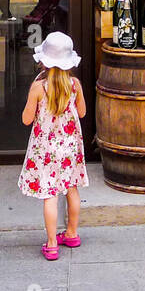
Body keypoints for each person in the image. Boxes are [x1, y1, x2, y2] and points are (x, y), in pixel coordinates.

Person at [18, 31, 89, 260]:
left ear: (44, 61)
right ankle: (72, 233)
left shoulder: (39, 88)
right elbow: (83, 112)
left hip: (46, 150)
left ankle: (51, 243)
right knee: (71, 189)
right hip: (70, 148)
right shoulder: (75, 84)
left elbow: (26, 120)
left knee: (50, 194)